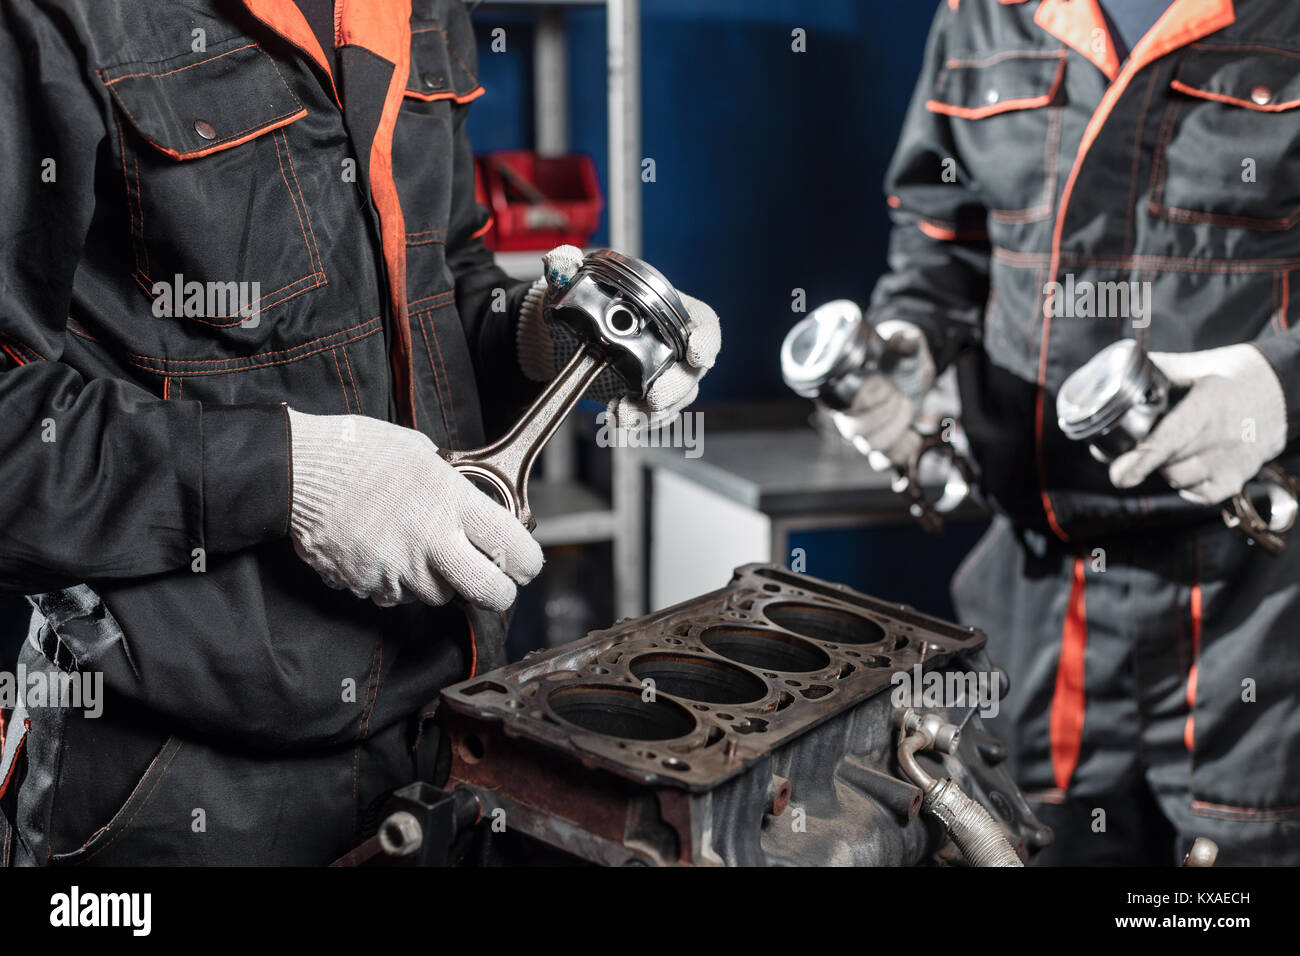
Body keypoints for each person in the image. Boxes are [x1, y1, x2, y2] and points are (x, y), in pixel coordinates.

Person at [0, 0, 719, 866]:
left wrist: (542, 337)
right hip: (176, 780)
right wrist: (290, 476)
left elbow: (438, 273)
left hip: (449, 728)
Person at [832, 0, 1300, 864]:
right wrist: (907, 341)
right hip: (1036, 594)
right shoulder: (983, 16)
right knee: (1020, 841)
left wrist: (1281, 386)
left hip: (1261, 596)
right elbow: (941, 245)